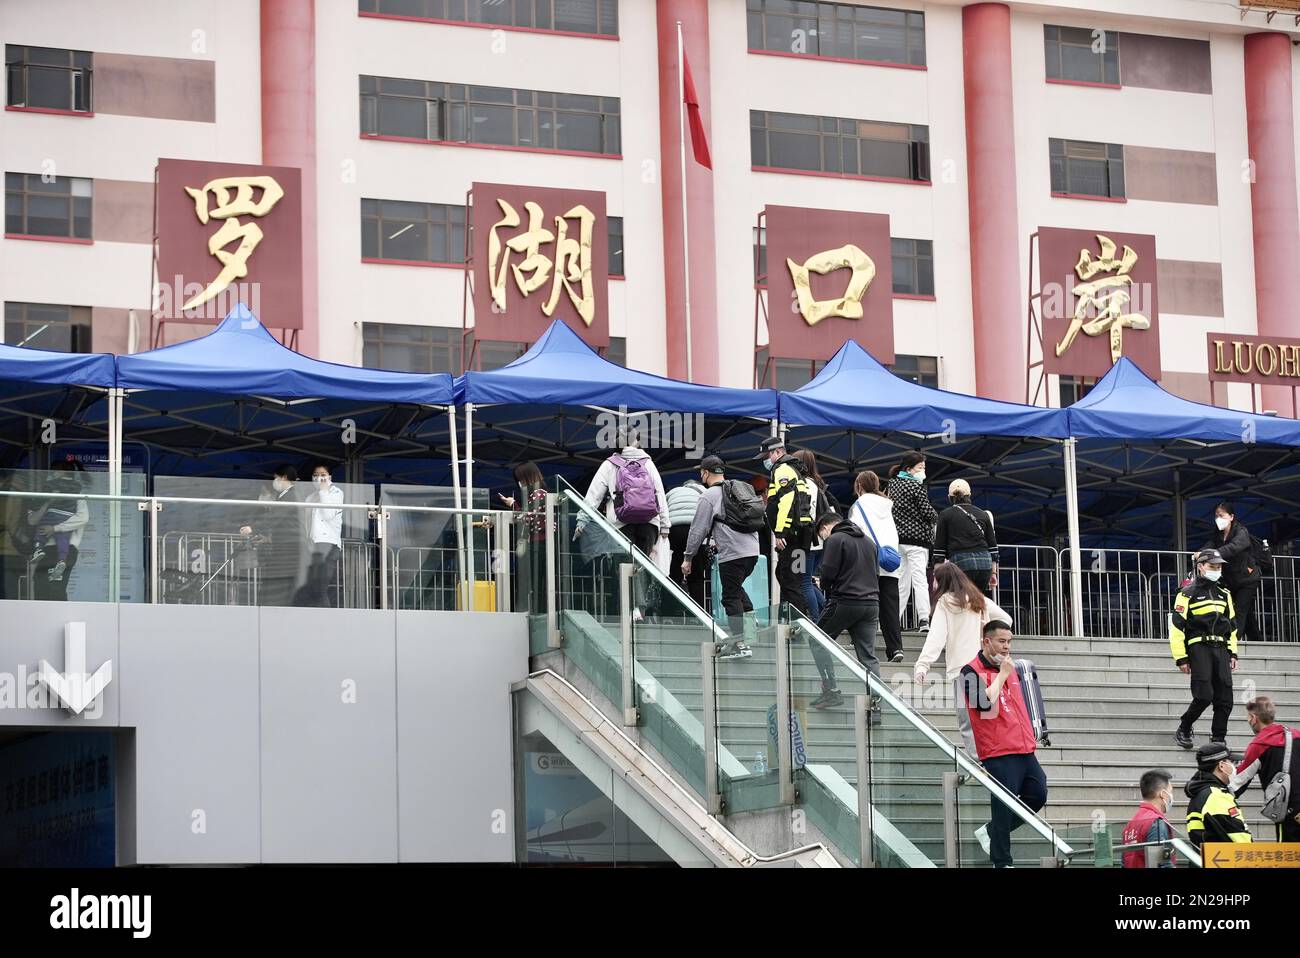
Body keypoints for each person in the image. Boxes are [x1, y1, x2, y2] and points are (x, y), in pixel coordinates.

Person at [960, 620, 1048, 867]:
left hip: (1023, 747)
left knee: (1038, 794)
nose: (1007, 646)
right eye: (1001, 641)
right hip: (998, 751)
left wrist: (1031, 735)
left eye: (1009, 641)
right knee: (1003, 805)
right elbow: (982, 704)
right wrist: (1002, 676)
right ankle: (1002, 861)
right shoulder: (970, 670)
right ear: (986, 641)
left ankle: (991, 831)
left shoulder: (1010, 667)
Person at [914, 562, 1013, 758]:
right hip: (984, 667)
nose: (933, 583)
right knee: (987, 718)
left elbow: (937, 636)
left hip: (962, 669)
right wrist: (985, 629)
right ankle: (994, 760)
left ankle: (979, 766)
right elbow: (1006, 619)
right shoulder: (978, 599)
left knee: (967, 721)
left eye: (935, 579)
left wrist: (922, 665)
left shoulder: (946, 602)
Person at [577, 431, 669, 620]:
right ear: (637, 442)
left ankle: (626, 611)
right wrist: (665, 524)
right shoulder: (648, 462)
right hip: (648, 522)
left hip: (620, 522)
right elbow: (659, 493)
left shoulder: (609, 464)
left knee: (623, 567)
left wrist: (582, 519)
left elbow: (594, 494)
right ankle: (641, 610)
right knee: (642, 564)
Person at [805, 511, 881, 717]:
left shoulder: (835, 539)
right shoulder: (869, 542)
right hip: (871, 603)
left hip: (845, 600)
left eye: (822, 536)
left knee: (817, 640)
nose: (824, 539)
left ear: (826, 528)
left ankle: (831, 690)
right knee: (868, 656)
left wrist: (824, 584)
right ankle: (876, 706)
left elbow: (828, 571)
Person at [681, 456, 758, 657]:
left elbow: (698, 530)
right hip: (752, 551)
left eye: (701, 472)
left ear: (706, 473)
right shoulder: (737, 488)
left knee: (730, 596)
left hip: (733, 554)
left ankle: (741, 645)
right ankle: (748, 635)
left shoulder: (710, 495)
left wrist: (688, 557)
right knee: (737, 589)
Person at [1171, 548, 1238, 751]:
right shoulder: (1187, 593)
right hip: (1198, 646)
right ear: (1201, 567)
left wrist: (1233, 652)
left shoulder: (1224, 593)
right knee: (1204, 695)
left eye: (1219, 567)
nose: (1216, 570)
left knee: (1225, 698)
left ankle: (1219, 738)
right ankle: (1184, 726)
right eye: (1212, 566)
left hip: (1221, 648)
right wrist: (1181, 657)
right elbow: (1176, 627)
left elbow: (1232, 626)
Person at [755, 436, 814, 623]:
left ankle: (798, 622)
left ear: (778, 452)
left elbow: (786, 501)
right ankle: (793, 618)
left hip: (792, 535)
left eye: (767, 455)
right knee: (787, 575)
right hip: (801, 535)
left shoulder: (782, 469)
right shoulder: (795, 469)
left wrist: (780, 532)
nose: (766, 460)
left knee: (790, 578)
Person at [848, 470, 903, 662]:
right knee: (890, 609)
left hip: (868, 562)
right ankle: (895, 648)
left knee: (865, 605)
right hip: (891, 562)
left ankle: (864, 646)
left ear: (859, 486)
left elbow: (855, 532)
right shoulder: (888, 505)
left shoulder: (859, 505)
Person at [1230, 696, 1300, 842]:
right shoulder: (1297, 735)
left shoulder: (1259, 745)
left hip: (1290, 813)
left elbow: (1238, 782)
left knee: (1289, 859)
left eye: (1248, 718)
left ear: (1253, 718)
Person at [241, 464, 306, 607]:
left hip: (290, 547)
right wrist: (268, 538)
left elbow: (275, 517)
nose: (274, 481)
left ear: (284, 477)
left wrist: (253, 528)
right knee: (279, 581)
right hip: (286, 544)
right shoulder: (286, 495)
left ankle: (277, 610)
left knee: (280, 582)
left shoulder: (291, 495)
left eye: (275, 478)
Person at [886, 453, 937, 630]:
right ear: (909, 469)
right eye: (920, 468)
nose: (923, 471)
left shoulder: (892, 485)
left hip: (898, 540)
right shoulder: (917, 487)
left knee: (901, 582)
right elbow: (928, 513)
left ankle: (893, 620)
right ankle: (924, 619)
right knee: (920, 580)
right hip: (918, 540)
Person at [27, 461, 89, 602]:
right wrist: (48, 502)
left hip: (67, 548)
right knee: (40, 586)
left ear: (62, 472)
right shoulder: (46, 492)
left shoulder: (77, 493)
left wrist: (55, 528)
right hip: (45, 549)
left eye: (52, 472)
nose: (50, 476)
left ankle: (58, 621)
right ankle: (42, 620)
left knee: (56, 587)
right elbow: (32, 520)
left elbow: (82, 518)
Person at [1204, 501, 1263, 644]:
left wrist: (1216, 553)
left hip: (1247, 578)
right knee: (1246, 612)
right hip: (1230, 579)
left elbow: (1235, 547)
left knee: (1240, 610)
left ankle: (1233, 641)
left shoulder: (1241, 531)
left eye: (1222, 515)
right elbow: (1210, 544)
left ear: (1231, 516)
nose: (1219, 518)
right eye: (1216, 515)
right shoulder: (1217, 534)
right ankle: (1257, 640)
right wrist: (1203, 552)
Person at [794, 449, 840, 621]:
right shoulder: (817, 484)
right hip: (818, 542)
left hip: (805, 542)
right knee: (808, 581)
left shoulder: (802, 483)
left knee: (802, 581)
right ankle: (827, 615)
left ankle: (816, 620)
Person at [933, 478, 999, 597]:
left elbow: (939, 550)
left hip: (961, 562)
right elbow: (993, 547)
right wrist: (993, 573)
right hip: (985, 563)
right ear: (969, 495)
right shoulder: (983, 514)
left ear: (950, 497)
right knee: (977, 601)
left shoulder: (945, 514)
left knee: (960, 600)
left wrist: (937, 577)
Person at [500, 461, 549, 615]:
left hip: (540, 543)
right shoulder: (540, 493)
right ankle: (537, 610)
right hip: (540, 542)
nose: (520, 484)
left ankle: (537, 611)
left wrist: (513, 504)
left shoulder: (538, 493)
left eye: (520, 479)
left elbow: (526, 518)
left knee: (536, 581)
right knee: (538, 581)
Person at [1185, 741, 1252, 850]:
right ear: (1221, 766)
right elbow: (1238, 837)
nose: (1235, 767)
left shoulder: (1202, 792)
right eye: (1232, 763)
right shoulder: (1216, 796)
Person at [665, 469, 709, 610]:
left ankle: (670, 612)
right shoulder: (703, 491)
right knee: (696, 575)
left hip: (675, 530)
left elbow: (663, 510)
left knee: (676, 568)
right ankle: (699, 614)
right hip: (694, 530)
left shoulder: (673, 491)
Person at [304, 462, 345, 607]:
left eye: (323, 475)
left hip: (328, 544)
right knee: (311, 587)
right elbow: (307, 522)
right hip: (312, 545)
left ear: (330, 477)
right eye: (315, 476)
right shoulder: (310, 497)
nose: (319, 479)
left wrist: (323, 491)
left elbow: (328, 514)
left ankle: (324, 618)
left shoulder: (336, 492)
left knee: (320, 587)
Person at [1121, 770, 1178, 868]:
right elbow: (1161, 863)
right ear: (1163, 794)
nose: (1171, 796)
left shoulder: (1131, 823)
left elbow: (1124, 862)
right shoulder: (1156, 822)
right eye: (1170, 792)